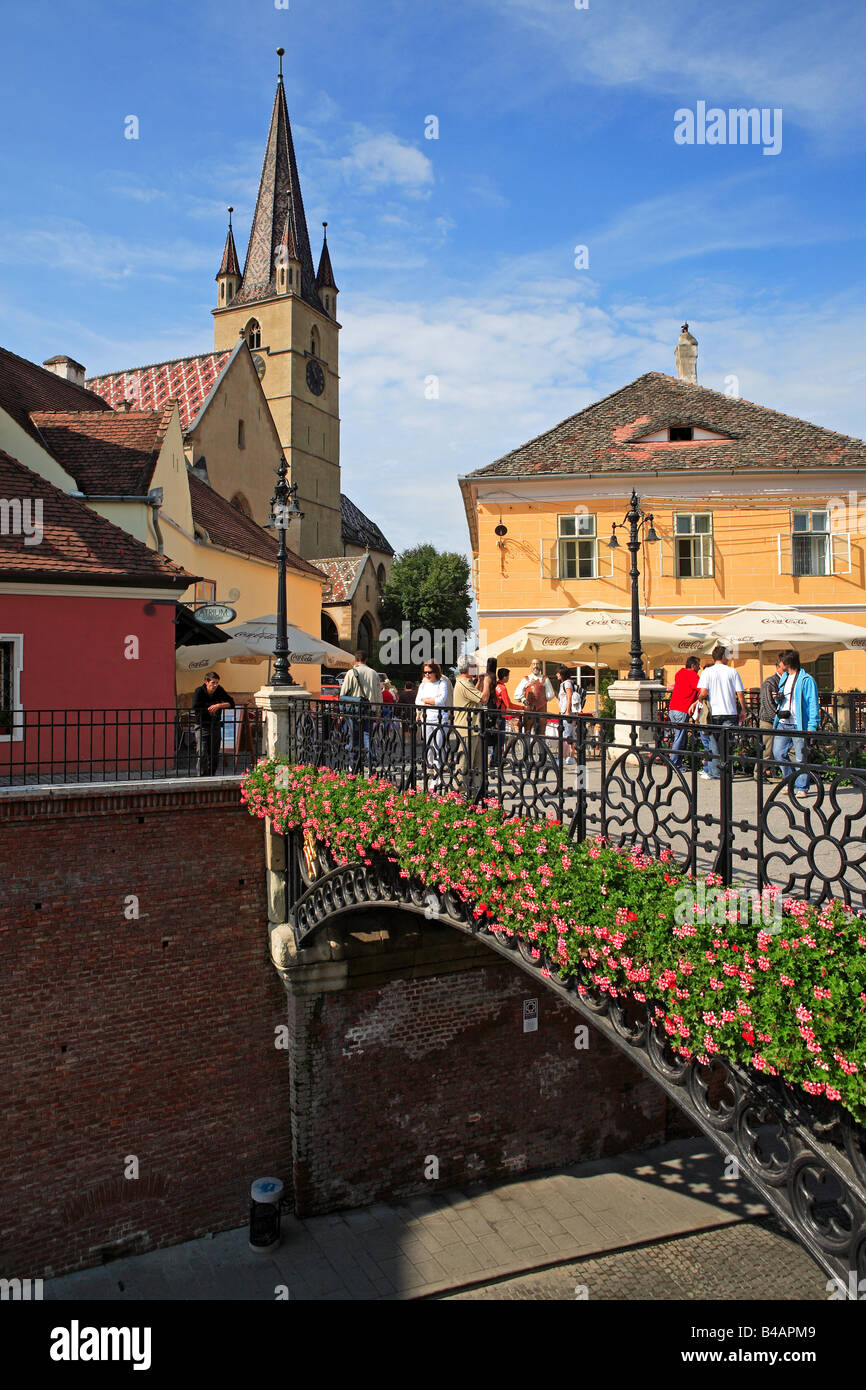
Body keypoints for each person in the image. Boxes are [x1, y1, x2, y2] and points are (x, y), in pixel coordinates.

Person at [695, 646, 747, 781]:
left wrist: (699, 699)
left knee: (714, 744)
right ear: (723, 656)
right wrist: (743, 709)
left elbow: (703, 692)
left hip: (714, 713)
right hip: (730, 712)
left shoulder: (707, 672)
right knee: (728, 744)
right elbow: (740, 693)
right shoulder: (732, 671)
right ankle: (728, 771)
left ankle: (716, 773)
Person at [773, 649, 820, 798]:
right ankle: (790, 781)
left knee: (801, 757)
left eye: (781, 661)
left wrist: (812, 726)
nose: (779, 664)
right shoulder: (784, 678)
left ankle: (802, 787)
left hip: (798, 724)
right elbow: (783, 700)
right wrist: (777, 698)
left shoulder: (806, 679)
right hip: (783, 722)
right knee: (778, 753)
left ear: (787, 662)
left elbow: (813, 704)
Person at [339, 650, 382, 757]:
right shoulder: (373, 673)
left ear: (355, 659)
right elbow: (378, 695)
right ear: (366, 659)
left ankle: (353, 761)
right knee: (368, 736)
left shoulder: (350, 673)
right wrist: (378, 711)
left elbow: (343, 693)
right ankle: (370, 760)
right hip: (369, 709)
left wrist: (341, 710)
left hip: (354, 710)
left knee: (353, 736)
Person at [452, 653, 485, 793]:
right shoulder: (464, 683)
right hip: (467, 729)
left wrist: (480, 681)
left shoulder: (466, 683)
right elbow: (483, 698)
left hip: (473, 729)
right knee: (464, 764)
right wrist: (488, 681)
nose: (476, 669)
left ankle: (476, 791)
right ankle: (458, 793)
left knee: (477, 764)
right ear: (469, 668)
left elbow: (475, 695)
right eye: (475, 667)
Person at [192, 671, 235, 776]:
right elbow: (196, 706)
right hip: (202, 725)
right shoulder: (199, 691)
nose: (215, 685)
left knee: (214, 753)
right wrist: (211, 708)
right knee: (202, 752)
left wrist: (218, 706)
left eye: (217, 683)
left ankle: (212, 775)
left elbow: (231, 703)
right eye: (213, 683)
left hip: (215, 724)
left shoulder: (219, 690)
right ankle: (201, 776)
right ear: (206, 682)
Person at [415, 660, 450, 784]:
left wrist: (426, 700)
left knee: (438, 747)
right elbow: (418, 701)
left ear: (435, 672)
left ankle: (437, 776)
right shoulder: (423, 685)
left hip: (439, 718)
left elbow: (441, 700)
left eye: (429, 672)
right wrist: (432, 700)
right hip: (426, 718)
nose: (427, 675)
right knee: (429, 747)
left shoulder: (442, 683)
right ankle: (432, 770)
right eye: (425, 672)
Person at [756, 654, 787, 779]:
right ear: (777, 667)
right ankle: (758, 774)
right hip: (769, 721)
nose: (786, 671)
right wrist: (778, 718)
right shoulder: (770, 682)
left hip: (780, 720)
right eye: (784, 668)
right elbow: (767, 703)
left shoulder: (786, 680)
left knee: (779, 750)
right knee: (767, 751)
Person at [668, 656, 701, 769]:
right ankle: (674, 765)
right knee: (680, 738)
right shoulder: (692, 675)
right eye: (698, 665)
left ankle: (677, 763)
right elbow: (701, 689)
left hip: (673, 708)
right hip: (682, 709)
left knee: (681, 737)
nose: (699, 668)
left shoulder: (680, 673)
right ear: (693, 666)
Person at [514, 660, 554, 736]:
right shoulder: (526, 679)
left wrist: (543, 699)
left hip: (542, 709)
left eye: (537, 664)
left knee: (541, 731)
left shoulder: (545, 679)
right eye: (534, 664)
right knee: (527, 730)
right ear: (531, 666)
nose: (535, 666)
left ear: (540, 666)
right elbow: (517, 693)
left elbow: (550, 695)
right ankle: (527, 744)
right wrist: (523, 699)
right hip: (529, 709)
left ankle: (540, 744)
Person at [555, 665, 578, 765]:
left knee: (565, 736)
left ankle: (563, 758)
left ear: (561, 674)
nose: (556, 674)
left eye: (558, 673)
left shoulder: (566, 683)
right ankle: (571, 757)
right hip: (571, 712)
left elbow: (569, 696)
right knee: (571, 735)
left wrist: (568, 711)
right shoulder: (570, 682)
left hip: (567, 713)